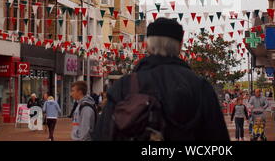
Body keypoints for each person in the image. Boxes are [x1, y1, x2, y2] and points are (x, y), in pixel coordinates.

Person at [94, 18, 229, 141]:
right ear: (180, 45)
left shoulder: (124, 86)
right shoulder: (200, 87)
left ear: (147, 45)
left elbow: (103, 133)